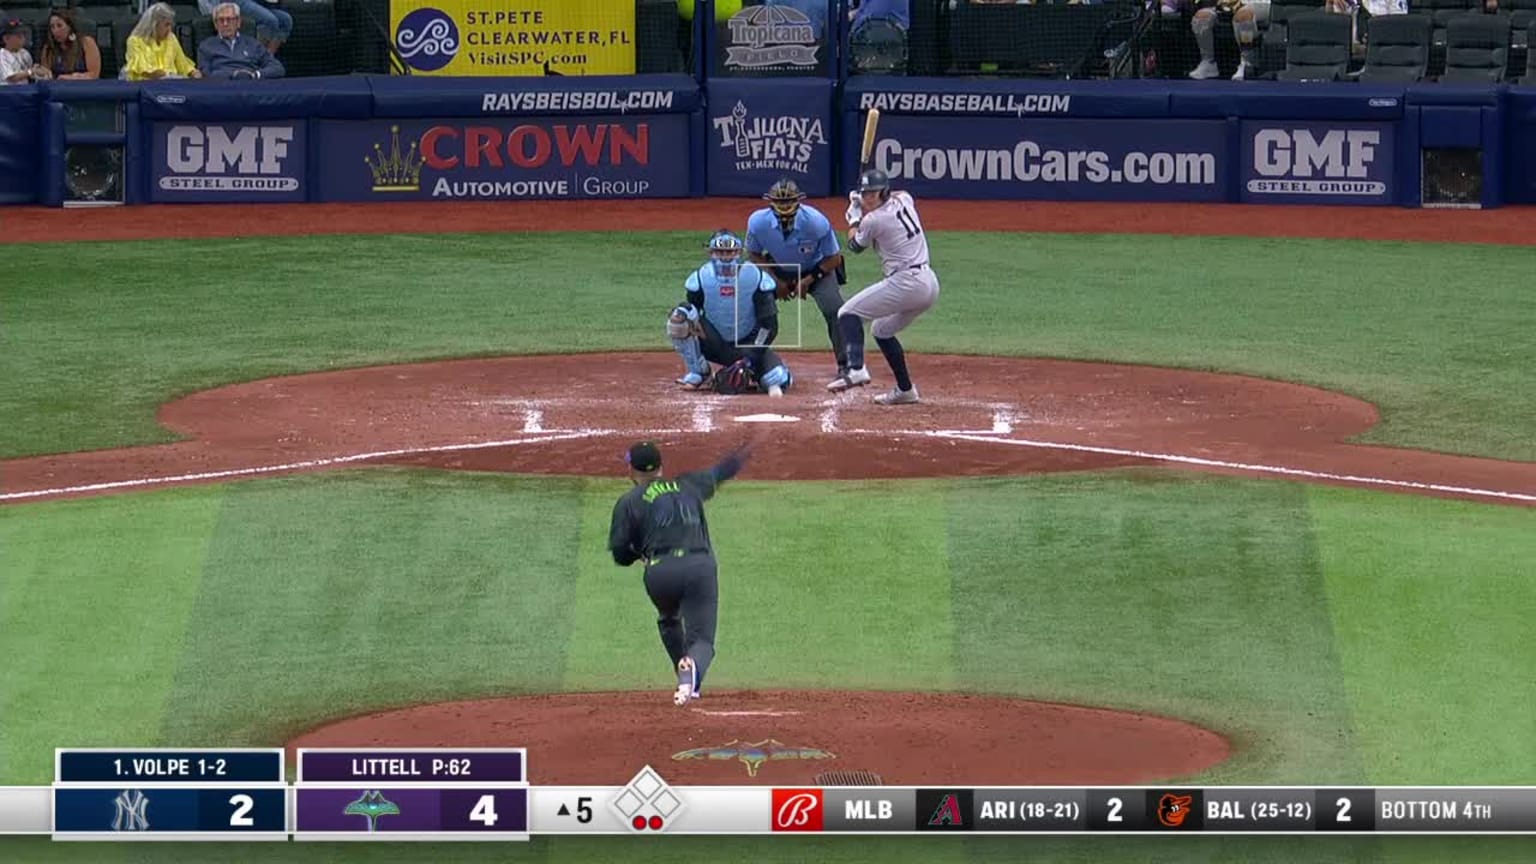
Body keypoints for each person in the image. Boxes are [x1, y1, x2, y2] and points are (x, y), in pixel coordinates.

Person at [608, 440, 753, 706]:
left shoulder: (627, 502)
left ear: (631, 470)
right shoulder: (688, 485)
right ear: (661, 467)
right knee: (703, 641)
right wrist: (745, 451)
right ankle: (692, 672)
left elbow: (619, 553)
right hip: (699, 568)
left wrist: (639, 553)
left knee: (668, 618)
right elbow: (721, 472)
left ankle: (683, 671)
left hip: (659, 573)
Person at [828, 168, 940, 405]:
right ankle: (905, 390)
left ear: (884, 191)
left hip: (906, 283)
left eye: (873, 193)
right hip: (928, 282)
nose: (869, 197)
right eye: (866, 193)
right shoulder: (904, 198)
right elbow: (896, 194)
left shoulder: (873, 220)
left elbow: (854, 246)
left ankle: (856, 369)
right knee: (881, 330)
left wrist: (853, 217)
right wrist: (862, 199)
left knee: (847, 313)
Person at [744, 178, 851, 382]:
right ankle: (747, 360)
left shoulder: (816, 222)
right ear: (770, 201)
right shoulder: (758, 222)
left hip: (816, 268)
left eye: (788, 201)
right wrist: (774, 279)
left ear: (799, 201)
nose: (784, 206)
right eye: (780, 201)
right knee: (752, 305)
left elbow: (834, 258)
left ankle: (847, 364)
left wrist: (809, 280)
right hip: (779, 269)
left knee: (835, 309)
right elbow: (754, 254)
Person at [668, 229, 794, 397]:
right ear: (711, 253)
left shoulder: (756, 278)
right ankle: (699, 372)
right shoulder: (700, 278)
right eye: (720, 252)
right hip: (715, 343)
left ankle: (764, 371)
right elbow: (694, 318)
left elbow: (769, 326)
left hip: (748, 346)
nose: (725, 257)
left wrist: (749, 358)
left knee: (775, 380)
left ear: (739, 253)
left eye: (730, 252)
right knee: (680, 317)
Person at [197, 2, 284, 78]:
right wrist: (234, 75)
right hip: (222, 88)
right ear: (215, 25)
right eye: (221, 20)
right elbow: (205, 74)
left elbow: (277, 68)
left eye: (229, 19)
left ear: (238, 22)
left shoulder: (253, 44)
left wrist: (256, 75)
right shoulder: (206, 46)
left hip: (251, 86)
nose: (225, 24)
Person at [124, 3, 202, 80]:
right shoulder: (134, 41)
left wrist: (193, 72)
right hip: (146, 86)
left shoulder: (171, 38)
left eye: (171, 25)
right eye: (167, 25)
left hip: (170, 85)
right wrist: (167, 75)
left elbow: (182, 64)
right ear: (154, 25)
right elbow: (145, 71)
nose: (170, 29)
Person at [38, 9, 102, 80]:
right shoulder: (48, 48)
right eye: (52, 27)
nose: (55, 31)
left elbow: (93, 75)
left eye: (59, 26)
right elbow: (46, 76)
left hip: (84, 88)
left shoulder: (87, 43)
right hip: (58, 88)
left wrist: (71, 78)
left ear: (69, 27)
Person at [0, 20, 47, 84]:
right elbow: (12, 78)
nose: (23, 38)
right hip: (8, 91)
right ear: (6, 38)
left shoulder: (24, 53)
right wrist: (32, 71)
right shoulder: (2, 55)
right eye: (19, 36)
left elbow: (30, 72)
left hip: (25, 90)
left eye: (23, 34)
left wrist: (38, 70)